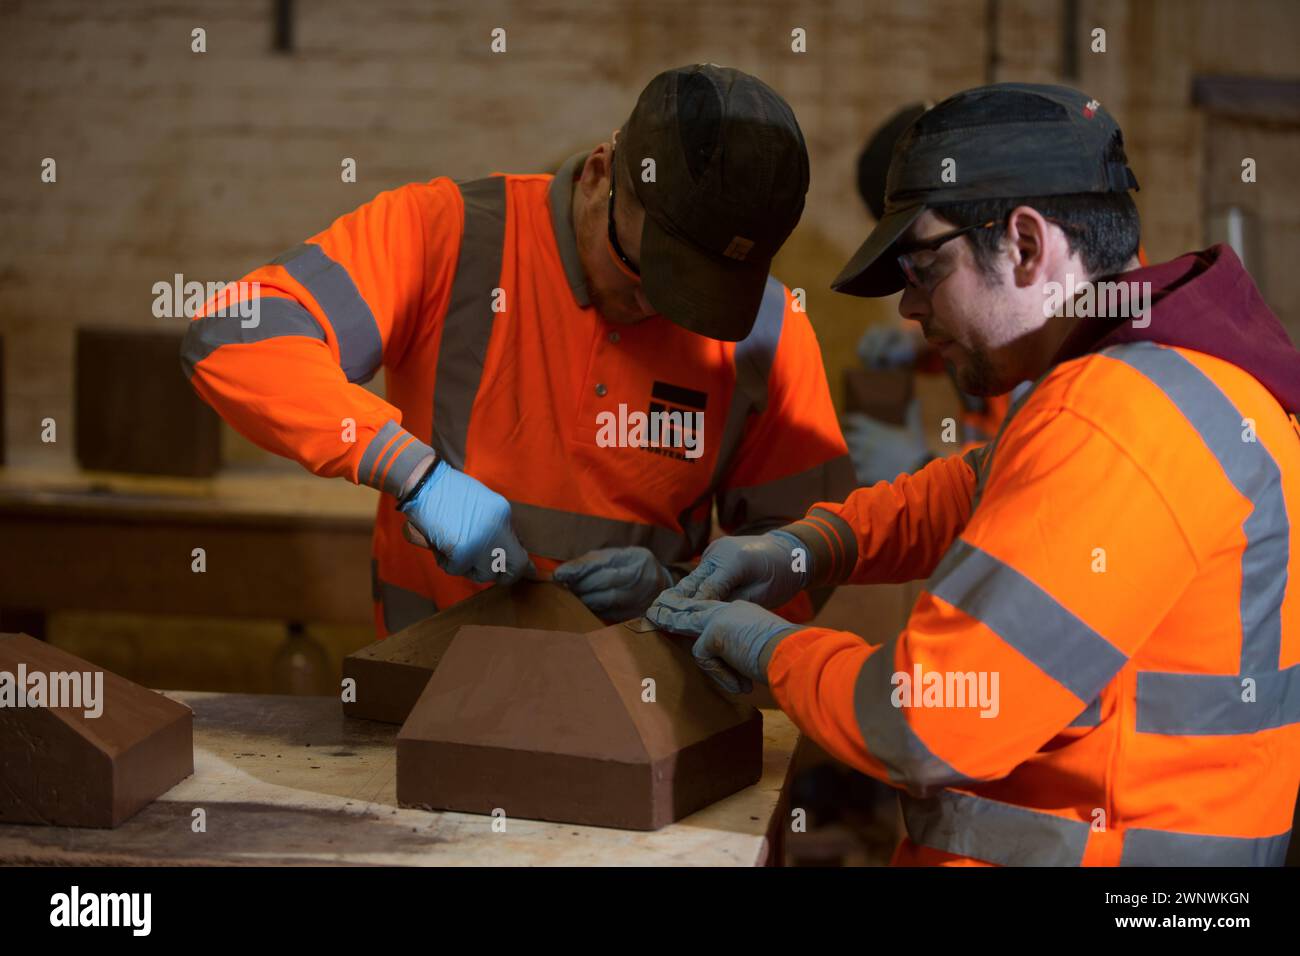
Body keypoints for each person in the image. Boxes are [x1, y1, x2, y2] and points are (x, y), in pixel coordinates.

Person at [648, 82, 1300, 865]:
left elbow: (928, 724)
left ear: (1025, 245)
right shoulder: (1166, 377)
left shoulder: (1116, 418)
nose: (909, 311)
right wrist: (804, 547)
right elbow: (977, 484)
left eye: (923, 268)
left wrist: (769, 649)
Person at [182, 64, 853, 635]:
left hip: (642, 718)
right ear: (599, 176)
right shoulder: (446, 239)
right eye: (647, 272)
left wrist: (681, 589)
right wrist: (411, 474)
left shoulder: (766, 327)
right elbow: (235, 335)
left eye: (700, 297)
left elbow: (808, 551)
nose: (660, 309)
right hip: (430, 704)